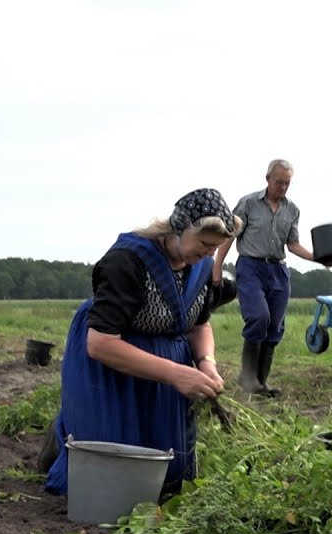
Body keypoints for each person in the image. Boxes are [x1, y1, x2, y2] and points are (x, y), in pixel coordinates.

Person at [39, 188, 241, 496]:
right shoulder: (128, 261)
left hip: (164, 365)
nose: (209, 254)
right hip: (114, 361)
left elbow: (199, 324)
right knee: (110, 471)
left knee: (169, 479)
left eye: (215, 248)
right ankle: (62, 440)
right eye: (203, 244)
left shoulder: (198, 267)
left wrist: (205, 363)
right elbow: (101, 343)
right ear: (179, 228)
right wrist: (176, 373)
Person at [214, 159, 332, 397]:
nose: (283, 187)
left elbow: (292, 244)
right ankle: (247, 377)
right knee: (259, 317)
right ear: (268, 179)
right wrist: (216, 267)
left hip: (277, 271)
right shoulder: (247, 204)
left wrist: (317, 258)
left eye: (287, 183)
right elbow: (228, 236)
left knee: (274, 325)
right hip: (250, 267)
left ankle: (261, 383)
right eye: (279, 182)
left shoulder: (292, 210)